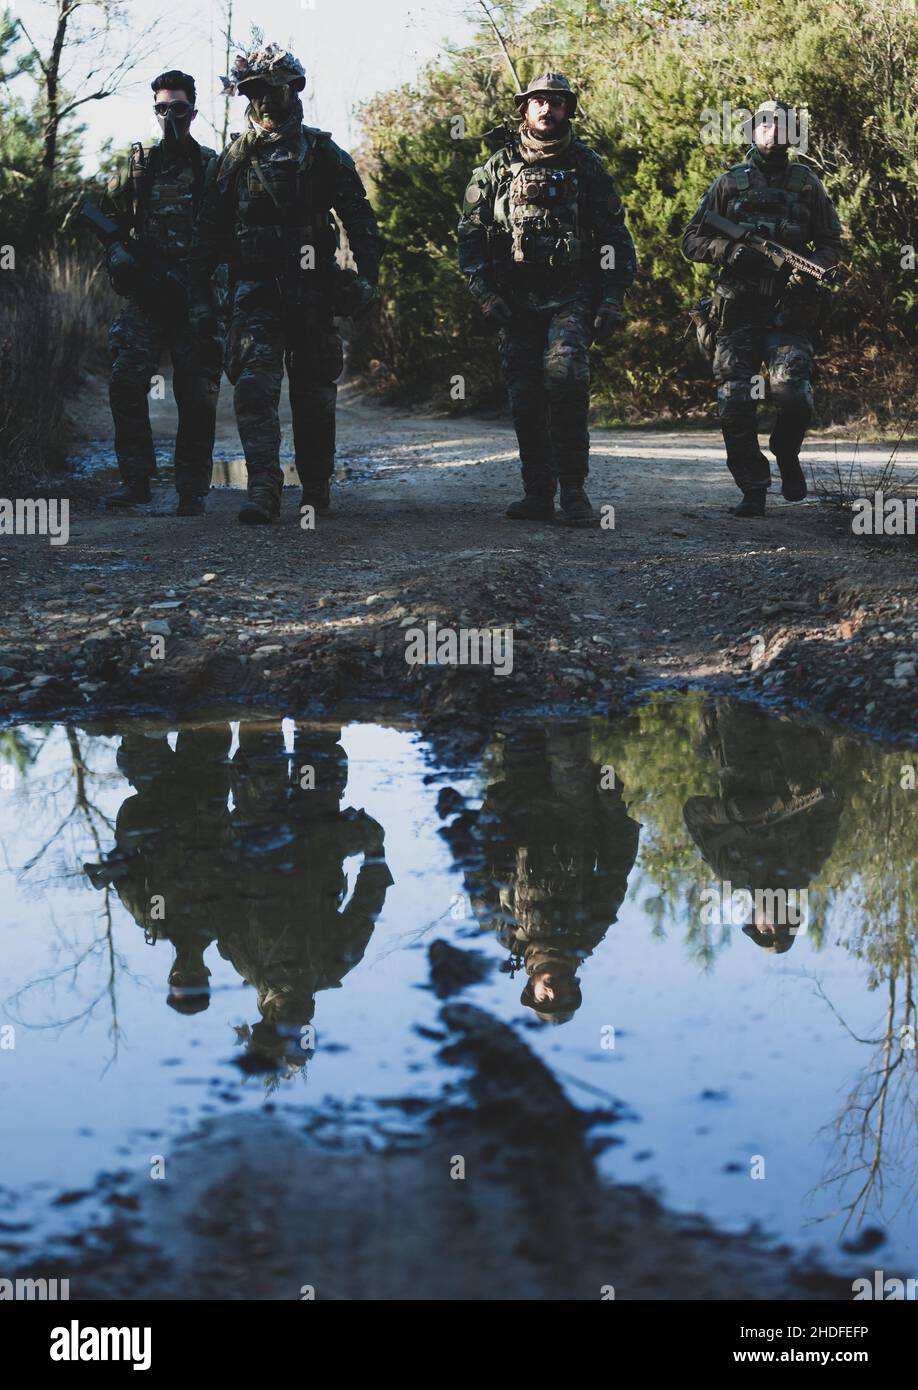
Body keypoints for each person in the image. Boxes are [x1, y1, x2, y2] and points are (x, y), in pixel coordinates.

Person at [189, 43, 381, 525]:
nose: (268, 100)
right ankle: (263, 489)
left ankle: (315, 489)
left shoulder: (321, 152)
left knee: (314, 393)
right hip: (254, 290)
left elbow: (360, 218)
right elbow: (209, 232)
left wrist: (368, 280)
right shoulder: (233, 158)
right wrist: (203, 297)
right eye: (256, 91)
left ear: (293, 89)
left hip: (313, 289)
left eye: (276, 89)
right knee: (253, 389)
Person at [457, 72, 636, 526]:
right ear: (524, 109)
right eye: (538, 100)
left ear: (567, 110)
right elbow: (471, 234)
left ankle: (573, 492)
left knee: (567, 379)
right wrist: (483, 292)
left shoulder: (586, 165)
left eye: (556, 101)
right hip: (515, 300)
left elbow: (614, 236)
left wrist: (611, 298)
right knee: (524, 397)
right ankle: (537, 492)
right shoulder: (498, 167)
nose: (546, 108)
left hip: (572, 295)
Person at [681, 100, 843, 517]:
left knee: (794, 394)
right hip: (736, 313)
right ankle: (753, 488)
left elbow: (830, 243)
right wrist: (731, 251)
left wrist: (812, 271)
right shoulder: (729, 184)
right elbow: (691, 240)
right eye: (764, 125)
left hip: (787, 313)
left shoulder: (807, 185)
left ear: (791, 134)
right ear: (753, 132)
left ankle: (785, 452)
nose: (771, 132)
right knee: (735, 403)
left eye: (780, 126)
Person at [101, 70, 223, 515]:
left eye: (178, 107)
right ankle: (136, 481)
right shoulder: (139, 166)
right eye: (161, 108)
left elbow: (230, 233)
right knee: (125, 381)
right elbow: (106, 220)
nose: (169, 116)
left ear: (193, 110)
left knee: (196, 394)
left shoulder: (211, 166)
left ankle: (192, 489)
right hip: (147, 298)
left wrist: (214, 294)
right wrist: (118, 253)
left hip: (194, 296)